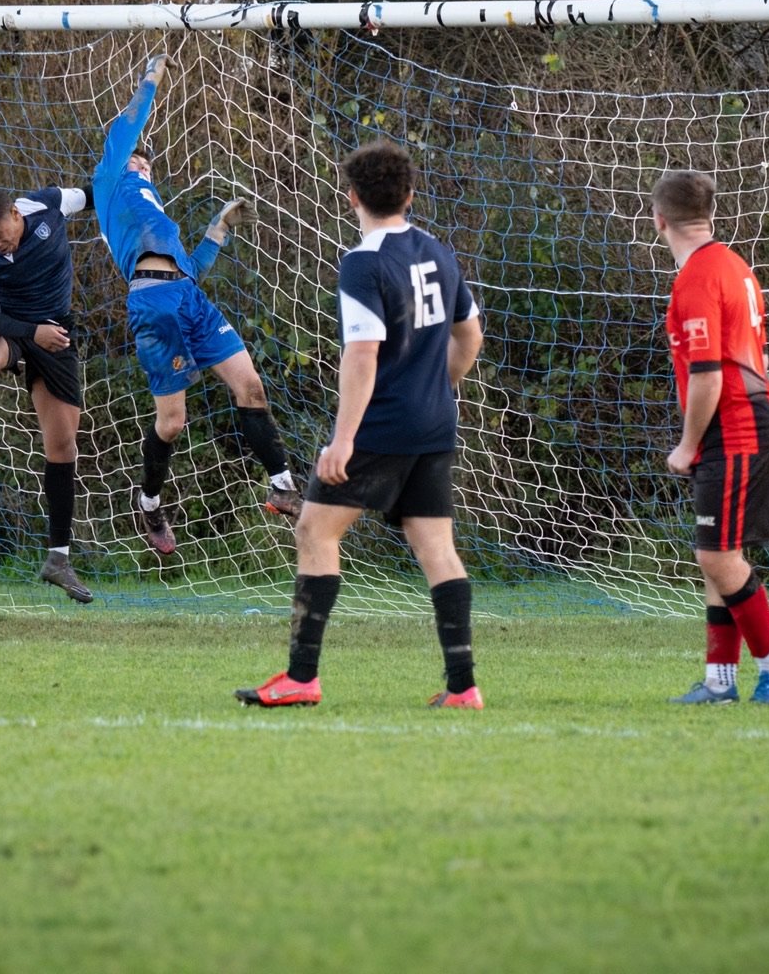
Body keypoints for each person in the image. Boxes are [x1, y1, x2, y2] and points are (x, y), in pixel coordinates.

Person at [235, 140, 484, 709]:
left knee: (314, 531)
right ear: (410, 195)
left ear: (351, 197)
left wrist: (342, 440)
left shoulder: (363, 262)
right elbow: (470, 335)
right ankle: (463, 686)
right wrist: (440, 386)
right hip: (435, 424)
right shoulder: (438, 252)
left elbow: (363, 353)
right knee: (436, 548)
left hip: (382, 425)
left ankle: (302, 677)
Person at [92, 55, 301, 554]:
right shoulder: (109, 179)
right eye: (139, 158)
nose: (144, 163)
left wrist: (219, 228)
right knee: (172, 424)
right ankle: (148, 502)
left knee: (251, 388)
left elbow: (190, 268)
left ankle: (283, 487)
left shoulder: (156, 213)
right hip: (154, 305)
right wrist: (150, 79)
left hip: (189, 297)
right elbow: (129, 124)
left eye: (147, 162)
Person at [656, 169, 769, 706]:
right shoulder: (733, 265)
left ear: (659, 220)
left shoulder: (697, 277)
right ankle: (720, 681)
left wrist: (687, 444)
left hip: (736, 426)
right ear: (709, 214)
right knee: (719, 553)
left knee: (717, 558)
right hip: (748, 422)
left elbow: (708, 375)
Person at [0, 186, 95, 603]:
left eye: (0, 234)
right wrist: (33, 332)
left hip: (57, 335)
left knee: (63, 447)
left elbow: (95, 194)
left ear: (16, 214)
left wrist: (129, 183)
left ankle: (58, 559)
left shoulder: (48, 204)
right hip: (13, 329)